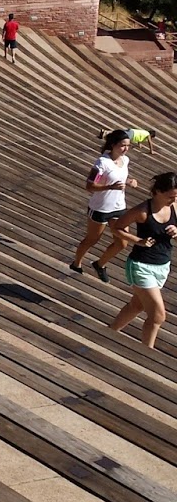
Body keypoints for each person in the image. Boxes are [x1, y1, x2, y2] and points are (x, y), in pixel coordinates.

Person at [107, 173, 177, 347]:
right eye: (170, 196)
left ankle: (109, 333)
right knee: (158, 315)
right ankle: (147, 353)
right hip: (141, 266)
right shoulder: (142, 211)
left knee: (137, 305)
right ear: (158, 191)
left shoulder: (175, 206)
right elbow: (117, 228)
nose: (173, 200)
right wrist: (138, 241)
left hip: (162, 266)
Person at [73, 130, 137, 277]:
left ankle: (100, 264)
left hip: (119, 207)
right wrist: (110, 187)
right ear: (113, 145)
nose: (126, 149)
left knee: (122, 243)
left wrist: (129, 181)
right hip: (100, 208)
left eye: (128, 146)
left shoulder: (125, 160)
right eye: (122, 146)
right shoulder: (101, 163)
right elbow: (89, 186)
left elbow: (120, 177)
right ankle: (76, 263)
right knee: (92, 239)